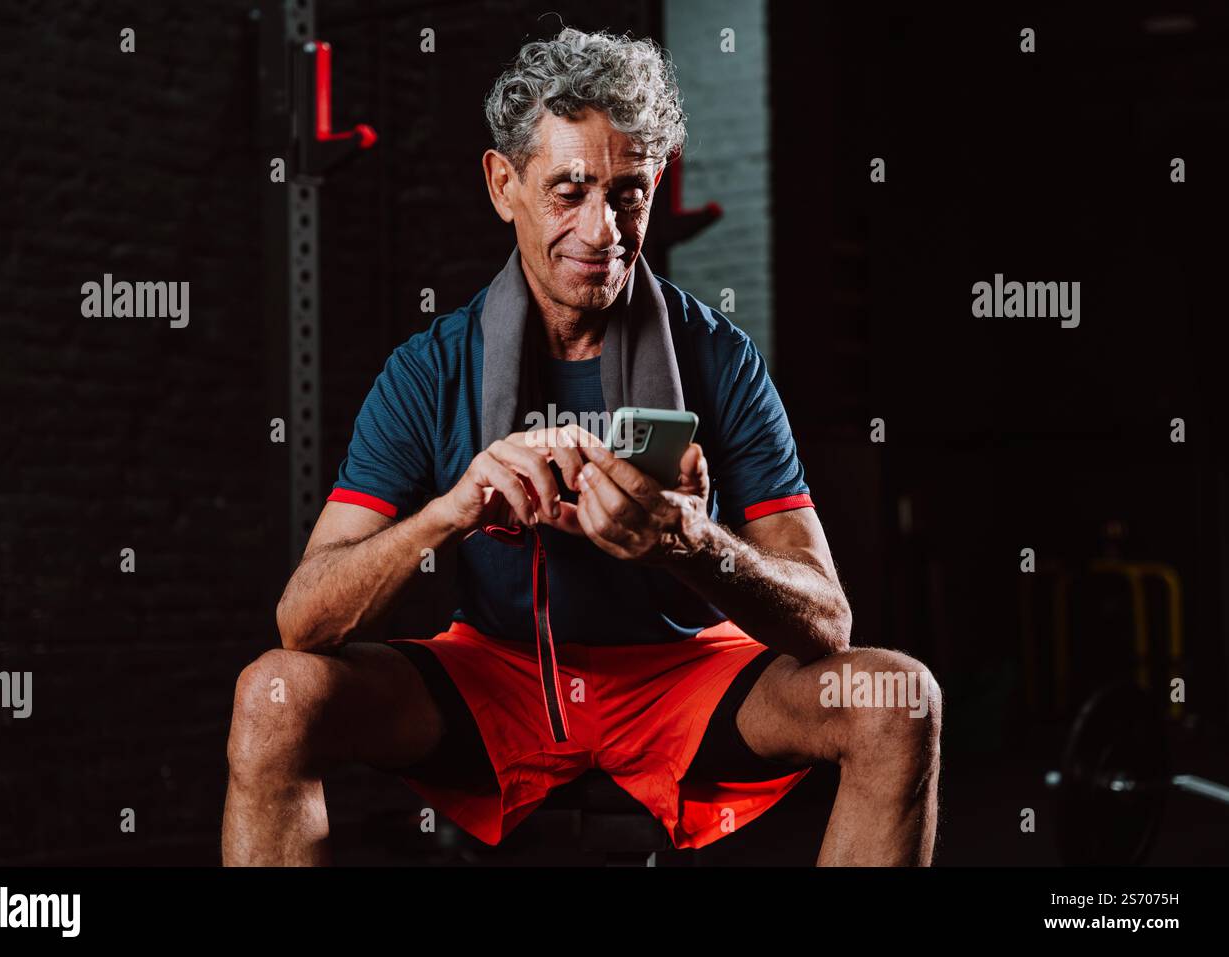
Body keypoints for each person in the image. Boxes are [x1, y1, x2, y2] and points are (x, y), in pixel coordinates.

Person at [223, 27, 940, 866]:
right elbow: (303, 617)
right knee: (274, 694)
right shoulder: (430, 368)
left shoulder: (719, 357)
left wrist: (690, 542)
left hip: (688, 676)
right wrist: (448, 512)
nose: (603, 230)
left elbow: (827, 618)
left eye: (629, 193)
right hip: (500, 675)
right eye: (569, 190)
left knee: (898, 698)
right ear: (504, 185)